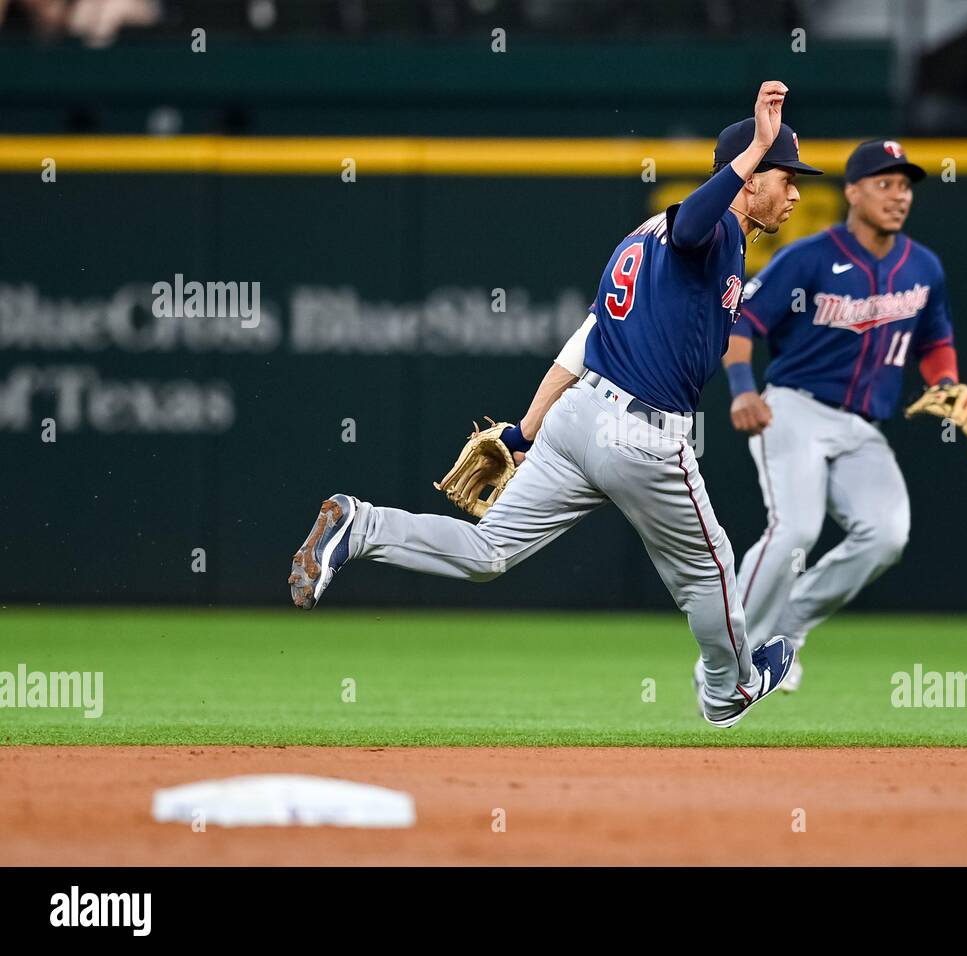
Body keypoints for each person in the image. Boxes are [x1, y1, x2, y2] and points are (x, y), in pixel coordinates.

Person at [288, 81, 822, 727]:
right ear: (746, 178)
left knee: (487, 555)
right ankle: (727, 692)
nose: (795, 193)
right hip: (640, 436)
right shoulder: (704, 231)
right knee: (709, 579)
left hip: (575, 420)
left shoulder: (640, 236)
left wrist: (526, 428)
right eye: (784, 176)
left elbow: (586, 337)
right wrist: (755, 147)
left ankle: (363, 525)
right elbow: (692, 223)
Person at [722, 138, 967, 692]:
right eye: (884, 184)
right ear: (852, 192)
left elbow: (936, 338)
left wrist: (945, 384)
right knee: (795, 529)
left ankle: (788, 630)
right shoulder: (809, 256)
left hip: (862, 426)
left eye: (905, 186)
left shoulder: (924, 267)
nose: (899, 196)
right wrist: (743, 391)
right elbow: (742, 321)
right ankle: (728, 660)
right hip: (793, 408)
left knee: (887, 535)